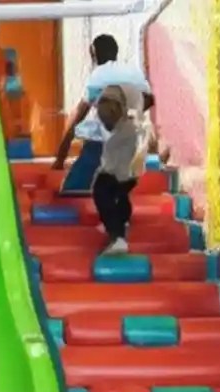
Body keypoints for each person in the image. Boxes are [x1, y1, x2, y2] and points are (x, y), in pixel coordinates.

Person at [53, 34, 154, 194]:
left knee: (73, 189)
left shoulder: (98, 75)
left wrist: (61, 157)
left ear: (93, 54)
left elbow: (78, 116)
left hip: (101, 142)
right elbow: (149, 98)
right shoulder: (132, 71)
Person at [92, 86, 148, 256]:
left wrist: (101, 174)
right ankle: (120, 222)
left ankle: (118, 237)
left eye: (107, 118)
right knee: (119, 198)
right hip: (126, 175)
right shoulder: (124, 127)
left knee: (103, 192)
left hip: (121, 175)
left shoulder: (125, 131)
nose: (105, 123)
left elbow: (113, 161)